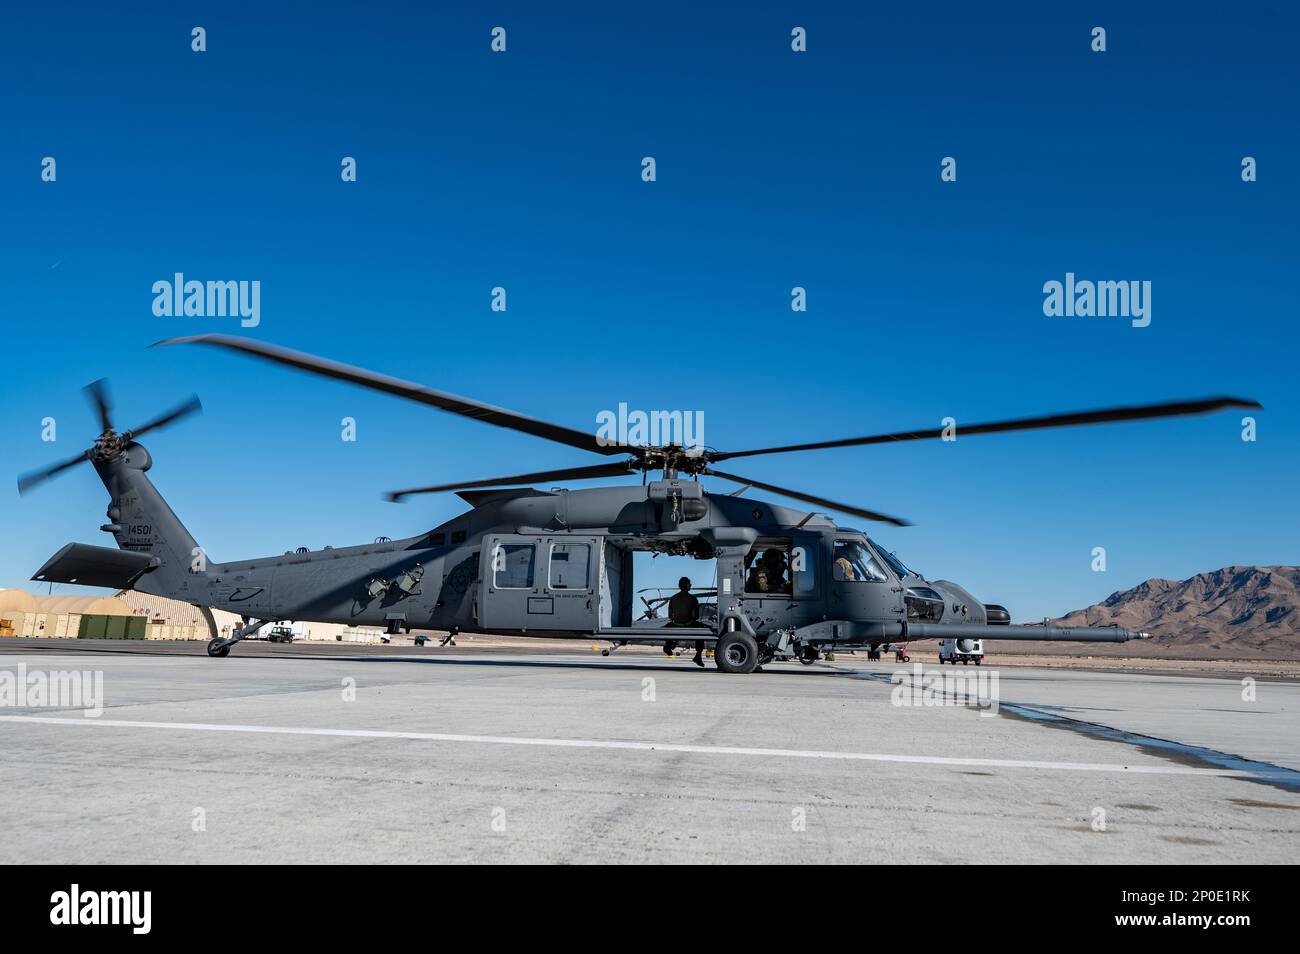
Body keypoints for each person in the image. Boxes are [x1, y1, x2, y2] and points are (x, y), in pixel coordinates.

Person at [666, 576, 705, 668]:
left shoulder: (673, 598)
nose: (691, 585)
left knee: (667, 626)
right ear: (687, 585)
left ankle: (668, 646)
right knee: (702, 629)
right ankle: (698, 655)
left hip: (675, 624)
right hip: (689, 624)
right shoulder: (693, 599)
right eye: (690, 584)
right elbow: (696, 617)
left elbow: (670, 616)